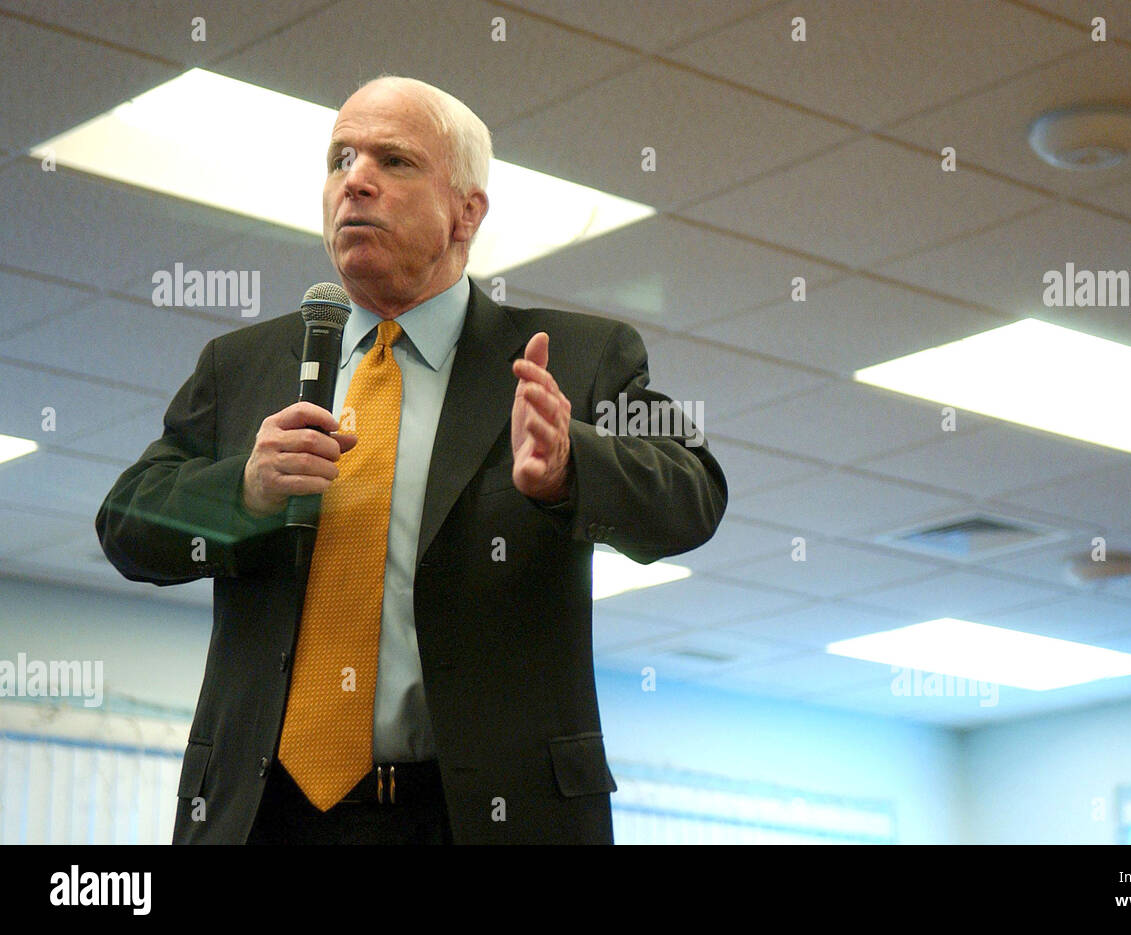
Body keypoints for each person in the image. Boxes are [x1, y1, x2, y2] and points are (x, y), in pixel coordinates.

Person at [95, 75, 727, 844]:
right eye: (340, 158)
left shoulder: (577, 358)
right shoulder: (242, 366)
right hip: (264, 814)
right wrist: (244, 491)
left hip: (473, 816)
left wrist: (572, 465)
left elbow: (694, 493)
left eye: (393, 162)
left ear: (468, 211)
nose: (355, 179)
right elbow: (127, 522)